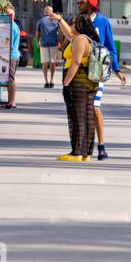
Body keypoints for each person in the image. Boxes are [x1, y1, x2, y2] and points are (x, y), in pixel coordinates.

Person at [81, 0, 125, 161]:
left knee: (95, 108)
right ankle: (84, 145)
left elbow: (111, 47)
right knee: (82, 109)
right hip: (80, 71)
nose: (79, 5)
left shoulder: (103, 22)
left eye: (82, 2)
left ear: (91, 5)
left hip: (97, 71)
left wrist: (117, 70)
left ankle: (101, 146)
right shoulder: (78, 21)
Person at [54, 12, 99, 162]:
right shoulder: (86, 39)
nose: (71, 26)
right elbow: (68, 33)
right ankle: (86, 153)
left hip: (78, 83)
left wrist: (66, 83)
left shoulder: (80, 40)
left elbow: (75, 62)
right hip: (89, 83)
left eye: (73, 23)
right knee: (87, 116)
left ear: (79, 26)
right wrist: (59, 19)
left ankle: (77, 152)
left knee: (77, 117)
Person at [36, 5, 61, 89]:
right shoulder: (56, 21)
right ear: (51, 12)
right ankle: (52, 81)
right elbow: (60, 33)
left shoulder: (40, 21)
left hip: (44, 44)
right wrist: (60, 42)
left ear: (44, 12)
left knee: (45, 63)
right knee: (53, 63)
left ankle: (46, 81)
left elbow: (37, 34)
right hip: (54, 44)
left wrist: (37, 42)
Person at [4, 4, 21, 109]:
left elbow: (6, 43)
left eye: (10, 14)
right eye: (6, 14)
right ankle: (9, 101)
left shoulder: (12, 27)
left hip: (12, 55)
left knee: (11, 79)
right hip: (11, 55)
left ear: (14, 15)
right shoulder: (11, 25)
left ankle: (13, 101)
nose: (8, 16)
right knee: (8, 79)